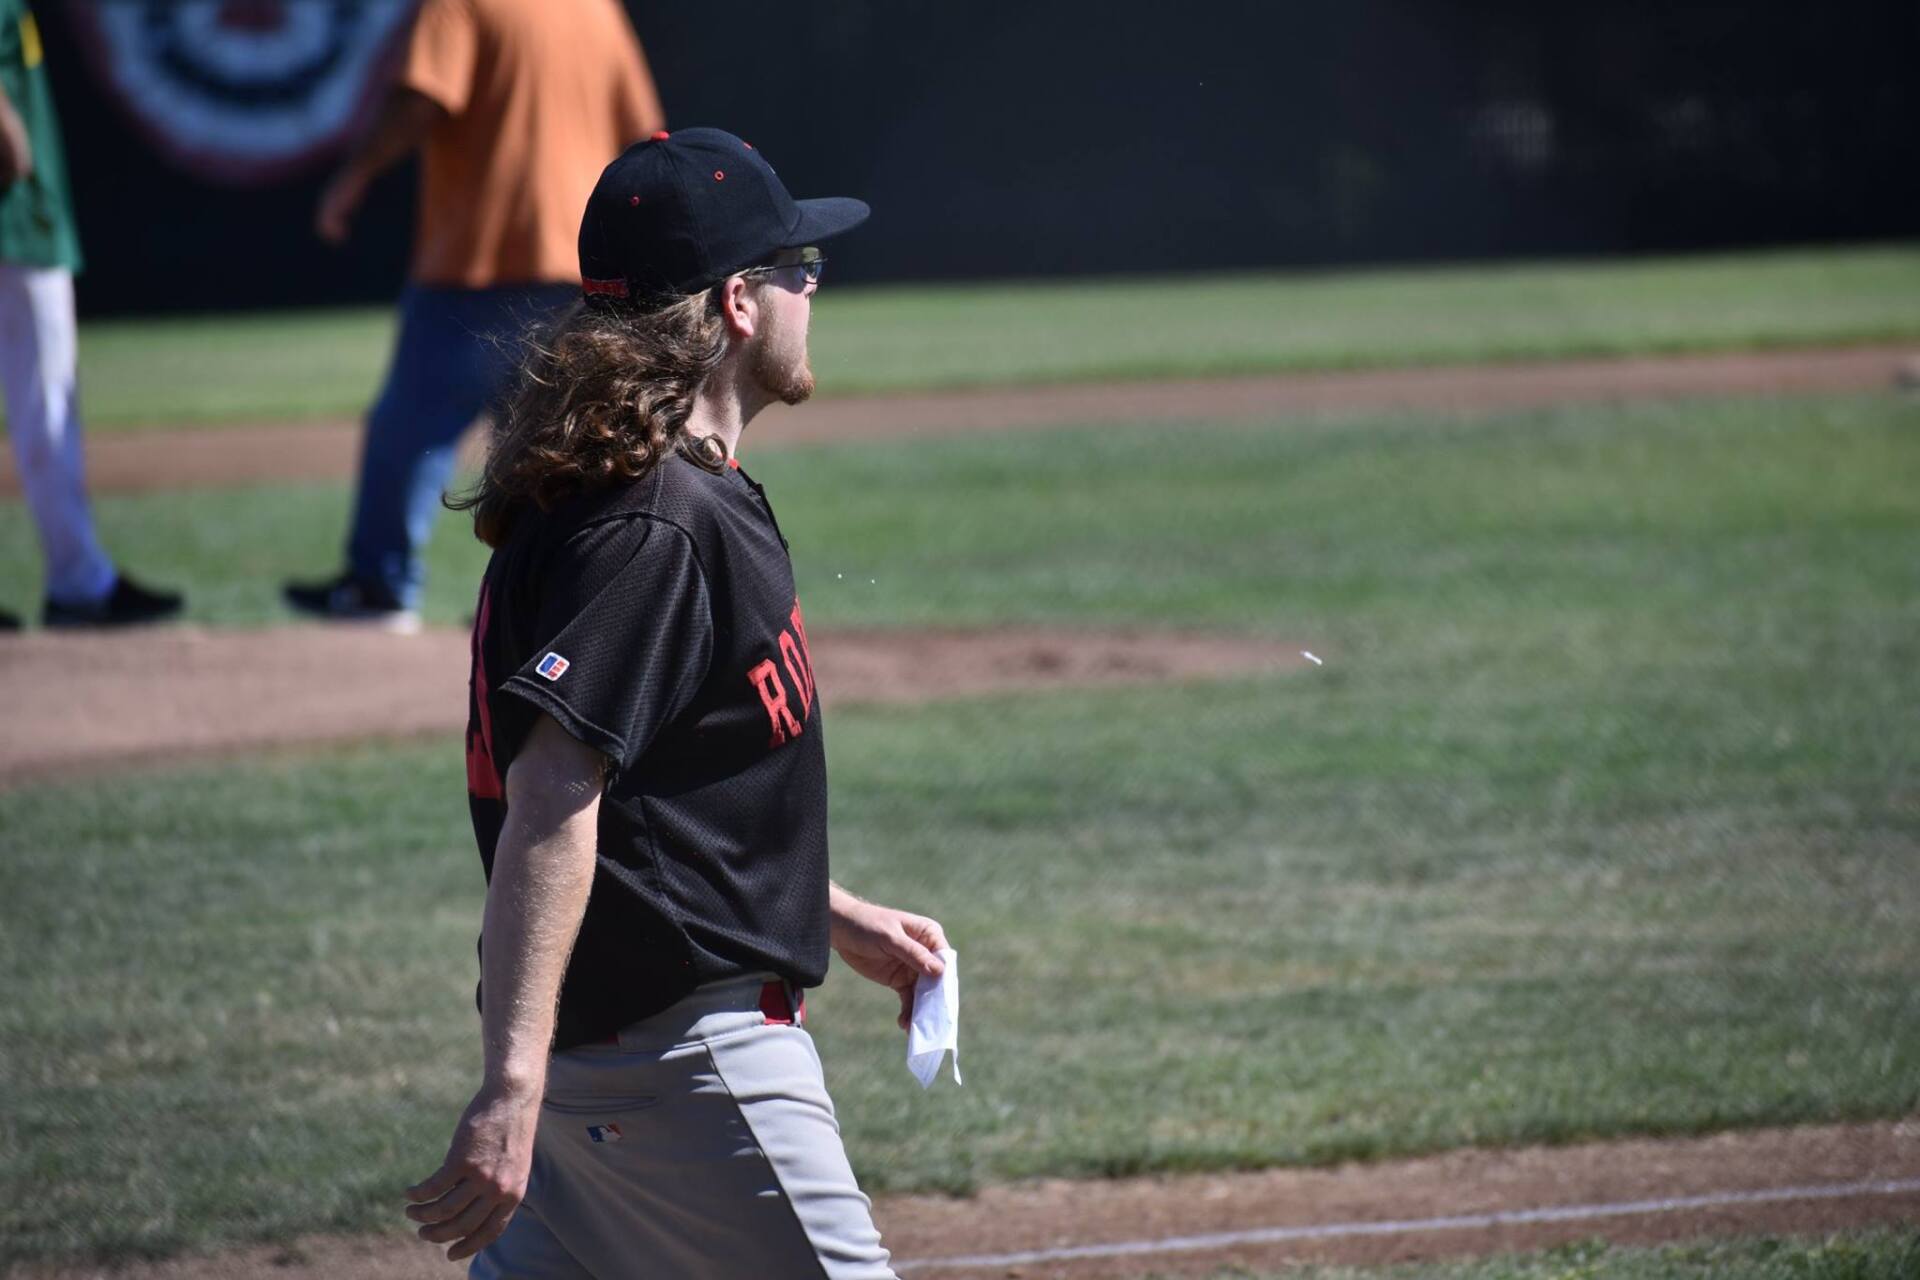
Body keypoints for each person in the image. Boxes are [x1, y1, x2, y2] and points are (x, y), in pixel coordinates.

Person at [403, 129, 943, 1278]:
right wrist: (510, 1080)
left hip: (614, 1062)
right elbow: (554, 787)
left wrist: (824, 908)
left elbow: (662, 784)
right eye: (801, 266)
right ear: (739, 302)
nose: (815, 287)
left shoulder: (625, 492)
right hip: (686, 1070)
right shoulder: (655, 522)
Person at [285, 0, 664, 632]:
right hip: (578, 263)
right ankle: (558, 595)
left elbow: (423, 100)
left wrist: (352, 176)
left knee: (407, 432)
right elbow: (644, 129)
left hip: (478, 258)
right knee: (561, 445)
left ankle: (381, 586)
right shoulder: (595, 9)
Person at [0, 0, 181, 629]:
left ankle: (79, 579)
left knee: (46, 404)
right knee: (46, 407)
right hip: (16, 226)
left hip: (25, 224)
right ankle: (78, 583)